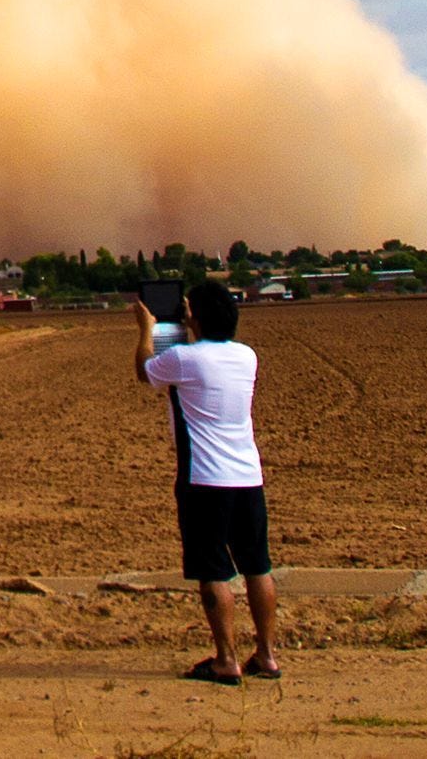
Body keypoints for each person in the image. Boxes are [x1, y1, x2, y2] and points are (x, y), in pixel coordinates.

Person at [136, 277, 279, 684]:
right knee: (258, 566)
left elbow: (144, 371)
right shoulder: (247, 356)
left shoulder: (184, 359)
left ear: (193, 316)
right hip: (248, 476)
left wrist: (147, 328)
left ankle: (226, 660)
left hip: (204, 480)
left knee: (213, 571)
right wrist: (191, 321)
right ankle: (267, 656)